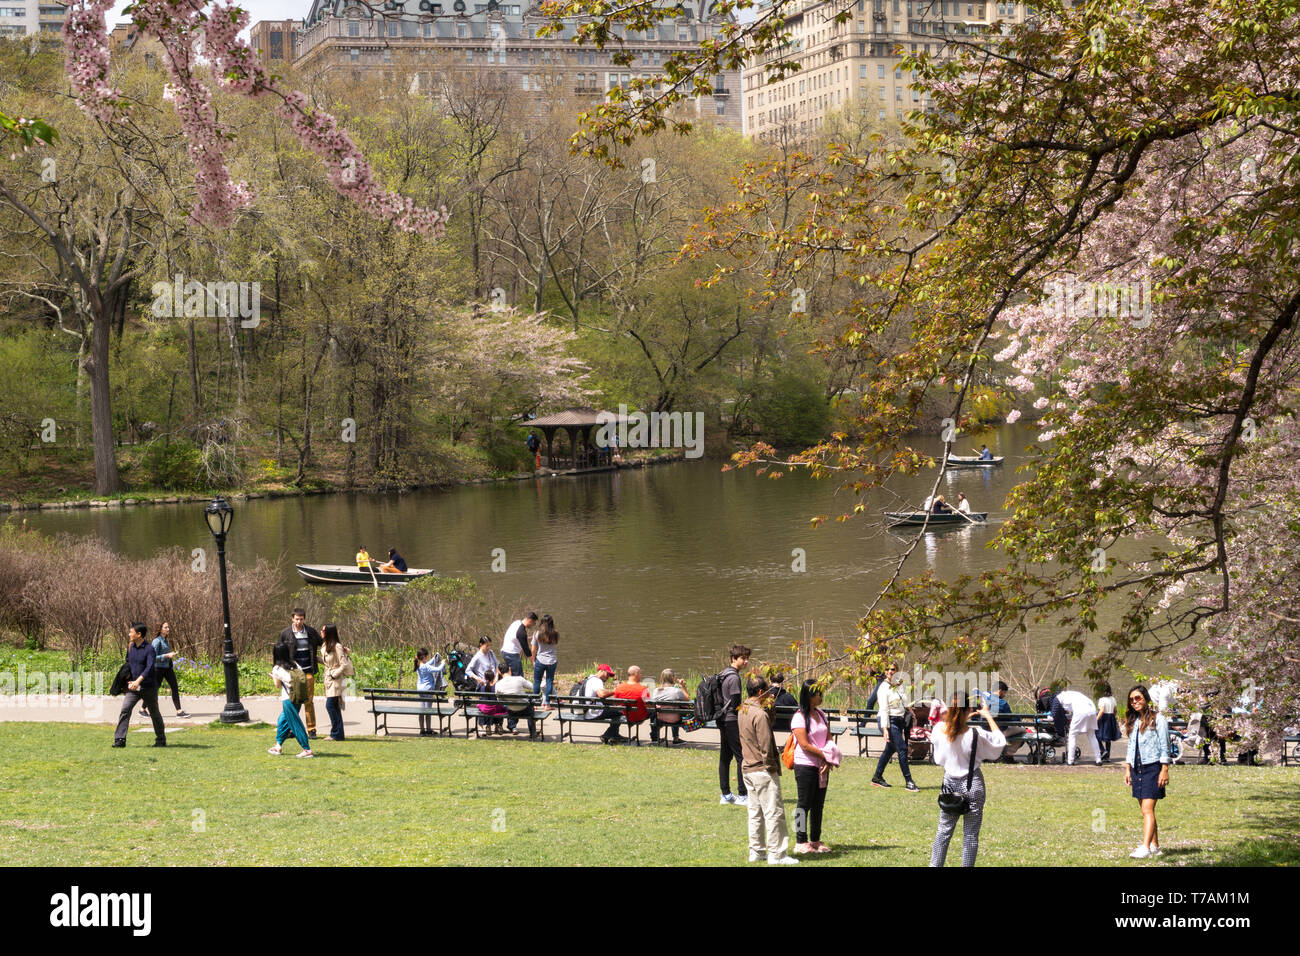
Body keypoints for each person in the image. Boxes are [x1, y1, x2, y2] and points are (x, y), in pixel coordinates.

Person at [929, 693, 1006, 867]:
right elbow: (999, 742)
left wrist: (961, 718)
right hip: (973, 784)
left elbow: (939, 754)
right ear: (969, 709)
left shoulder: (939, 730)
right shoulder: (975, 734)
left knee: (944, 831)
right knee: (970, 834)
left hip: (949, 784)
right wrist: (987, 716)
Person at [738, 675, 799, 865]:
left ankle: (756, 851)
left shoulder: (743, 709)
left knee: (755, 812)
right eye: (766, 690)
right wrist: (772, 767)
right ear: (759, 692)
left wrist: (770, 708)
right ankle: (777, 854)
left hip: (747, 768)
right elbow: (765, 744)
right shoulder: (759, 714)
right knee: (774, 812)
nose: (770, 694)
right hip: (761, 769)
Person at [1123, 684, 1169, 859]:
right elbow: (1130, 747)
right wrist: (1128, 769)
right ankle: (1155, 845)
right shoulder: (1134, 722)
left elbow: (1165, 747)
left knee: (1147, 810)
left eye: (1138, 698)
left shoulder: (1158, 719)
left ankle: (1145, 847)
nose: (1135, 702)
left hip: (1152, 768)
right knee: (1145, 809)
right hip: (1137, 768)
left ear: (1146, 698)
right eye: (1132, 700)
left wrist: (1164, 769)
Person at [790, 678, 836, 853]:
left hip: (822, 766)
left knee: (818, 804)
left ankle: (815, 840)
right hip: (805, 765)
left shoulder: (821, 714)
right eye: (818, 694)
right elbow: (804, 745)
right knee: (804, 803)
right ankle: (800, 842)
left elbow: (829, 738)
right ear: (809, 696)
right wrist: (824, 756)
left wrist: (827, 759)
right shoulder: (799, 717)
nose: (821, 697)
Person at [113, 623, 167, 748]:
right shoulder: (131, 646)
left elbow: (149, 668)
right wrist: (127, 680)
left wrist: (138, 681)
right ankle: (120, 740)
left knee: (154, 713)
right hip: (133, 687)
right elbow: (128, 663)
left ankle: (161, 739)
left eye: (131, 632)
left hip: (148, 687)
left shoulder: (149, 649)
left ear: (139, 634)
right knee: (125, 710)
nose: (129, 634)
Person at [276, 608, 324, 739]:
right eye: (297, 619)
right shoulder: (285, 633)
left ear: (304, 619)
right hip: (292, 673)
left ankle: (311, 729)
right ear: (292, 618)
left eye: (301, 619)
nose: (299, 621)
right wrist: (278, 671)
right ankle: (291, 729)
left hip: (308, 672)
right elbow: (279, 651)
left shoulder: (311, 632)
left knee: (308, 701)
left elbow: (323, 643)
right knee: (293, 702)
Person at [872, 664, 919, 791]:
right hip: (888, 720)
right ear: (885, 671)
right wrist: (885, 729)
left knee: (889, 749)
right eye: (888, 669)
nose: (891, 671)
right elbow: (883, 709)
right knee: (902, 749)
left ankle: (877, 777)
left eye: (893, 669)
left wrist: (910, 711)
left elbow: (904, 700)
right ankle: (909, 782)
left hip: (899, 720)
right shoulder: (883, 688)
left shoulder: (898, 685)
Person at [718, 644, 752, 806]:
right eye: (743, 658)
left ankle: (725, 794)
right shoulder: (734, 677)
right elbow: (735, 703)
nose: (746, 662)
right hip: (731, 720)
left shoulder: (723, 674)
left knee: (725, 757)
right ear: (734, 659)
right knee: (741, 757)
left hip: (722, 719)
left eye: (747, 658)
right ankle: (742, 794)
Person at [268, 642, 313, 757]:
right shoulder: (295, 664)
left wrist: (274, 677)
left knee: (294, 723)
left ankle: (306, 749)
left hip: (288, 698)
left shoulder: (277, 668)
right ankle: (278, 746)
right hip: (298, 696)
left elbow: (278, 685)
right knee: (283, 720)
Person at [146, 622, 190, 719]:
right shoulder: (156, 641)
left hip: (167, 668)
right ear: (160, 629)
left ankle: (179, 711)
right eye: (166, 627)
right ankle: (142, 709)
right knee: (154, 690)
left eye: (168, 627)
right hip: (158, 669)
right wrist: (166, 656)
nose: (168, 629)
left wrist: (171, 654)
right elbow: (152, 657)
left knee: (174, 687)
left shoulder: (165, 640)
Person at [1053, 686, 1103, 765]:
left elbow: (1056, 713)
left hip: (1081, 711)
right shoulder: (1073, 694)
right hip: (1092, 710)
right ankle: (1098, 759)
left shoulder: (1058, 699)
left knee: (1072, 735)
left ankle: (1070, 761)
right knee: (1092, 735)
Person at [321, 624, 351, 742]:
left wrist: (334, 674)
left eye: (323, 630)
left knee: (330, 705)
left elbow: (343, 664)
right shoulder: (325, 646)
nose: (321, 632)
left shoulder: (337, 646)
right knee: (334, 706)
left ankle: (336, 733)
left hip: (336, 680)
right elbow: (327, 662)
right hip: (328, 679)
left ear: (328, 632)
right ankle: (337, 734)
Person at [582, 663, 623, 744]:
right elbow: (602, 695)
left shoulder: (589, 679)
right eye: (608, 674)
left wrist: (612, 703)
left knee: (616, 709)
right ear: (601, 671)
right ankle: (608, 735)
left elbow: (598, 698)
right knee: (620, 712)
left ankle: (614, 734)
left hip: (587, 710)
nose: (608, 677)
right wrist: (615, 691)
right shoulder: (597, 681)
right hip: (593, 713)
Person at [495, 667, 539, 738]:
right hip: (525, 710)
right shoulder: (519, 679)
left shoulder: (498, 684)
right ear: (509, 669)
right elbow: (531, 686)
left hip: (511, 711)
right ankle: (532, 733)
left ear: (499, 672)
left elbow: (499, 700)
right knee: (530, 705)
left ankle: (512, 726)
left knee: (511, 704)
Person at [649, 668, 688, 744]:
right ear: (673, 678)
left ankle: (655, 738)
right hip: (675, 719)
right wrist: (683, 686)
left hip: (660, 718)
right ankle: (676, 738)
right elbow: (687, 698)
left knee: (654, 712)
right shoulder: (676, 691)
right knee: (677, 709)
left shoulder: (656, 691)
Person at [414, 646, 445, 736]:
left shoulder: (419, 665)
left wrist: (434, 658)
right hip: (428, 690)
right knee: (428, 710)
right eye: (427, 656)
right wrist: (442, 663)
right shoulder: (425, 667)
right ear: (423, 657)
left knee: (422, 710)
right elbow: (438, 669)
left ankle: (422, 729)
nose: (427, 658)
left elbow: (428, 663)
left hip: (420, 690)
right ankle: (428, 729)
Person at [531, 614, 559, 708]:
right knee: (549, 681)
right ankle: (547, 704)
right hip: (552, 660)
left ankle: (534, 704)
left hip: (540, 659)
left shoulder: (537, 633)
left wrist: (533, 660)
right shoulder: (555, 633)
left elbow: (533, 649)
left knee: (537, 681)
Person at [613, 666, 650, 736]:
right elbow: (649, 705)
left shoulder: (619, 687)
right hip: (639, 717)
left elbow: (616, 703)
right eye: (640, 673)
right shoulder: (643, 689)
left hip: (626, 716)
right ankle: (654, 738)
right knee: (653, 712)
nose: (641, 676)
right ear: (636, 674)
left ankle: (611, 734)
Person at [500, 612, 537, 678]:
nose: (533, 626)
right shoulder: (521, 632)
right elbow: (526, 650)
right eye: (533, 623)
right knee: (518, 676)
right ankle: (515, 687)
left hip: (505, 651)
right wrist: (533, 662)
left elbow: (517, 637)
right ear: (530, 621)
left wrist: (531, 637)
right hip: (511, 653)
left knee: (514, 674)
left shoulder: (517, 622)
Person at [1095, 683, 1121, 762]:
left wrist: (1096, 719)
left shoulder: (1102, 699)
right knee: (1108, 739)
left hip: (1104, 718)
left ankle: (1103, 750)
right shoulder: (1113, 699)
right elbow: (1115, 710)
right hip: (1111, 717)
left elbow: (1102, 710)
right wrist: (1113, 717)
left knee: (1096, 734)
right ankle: (1107, 757)